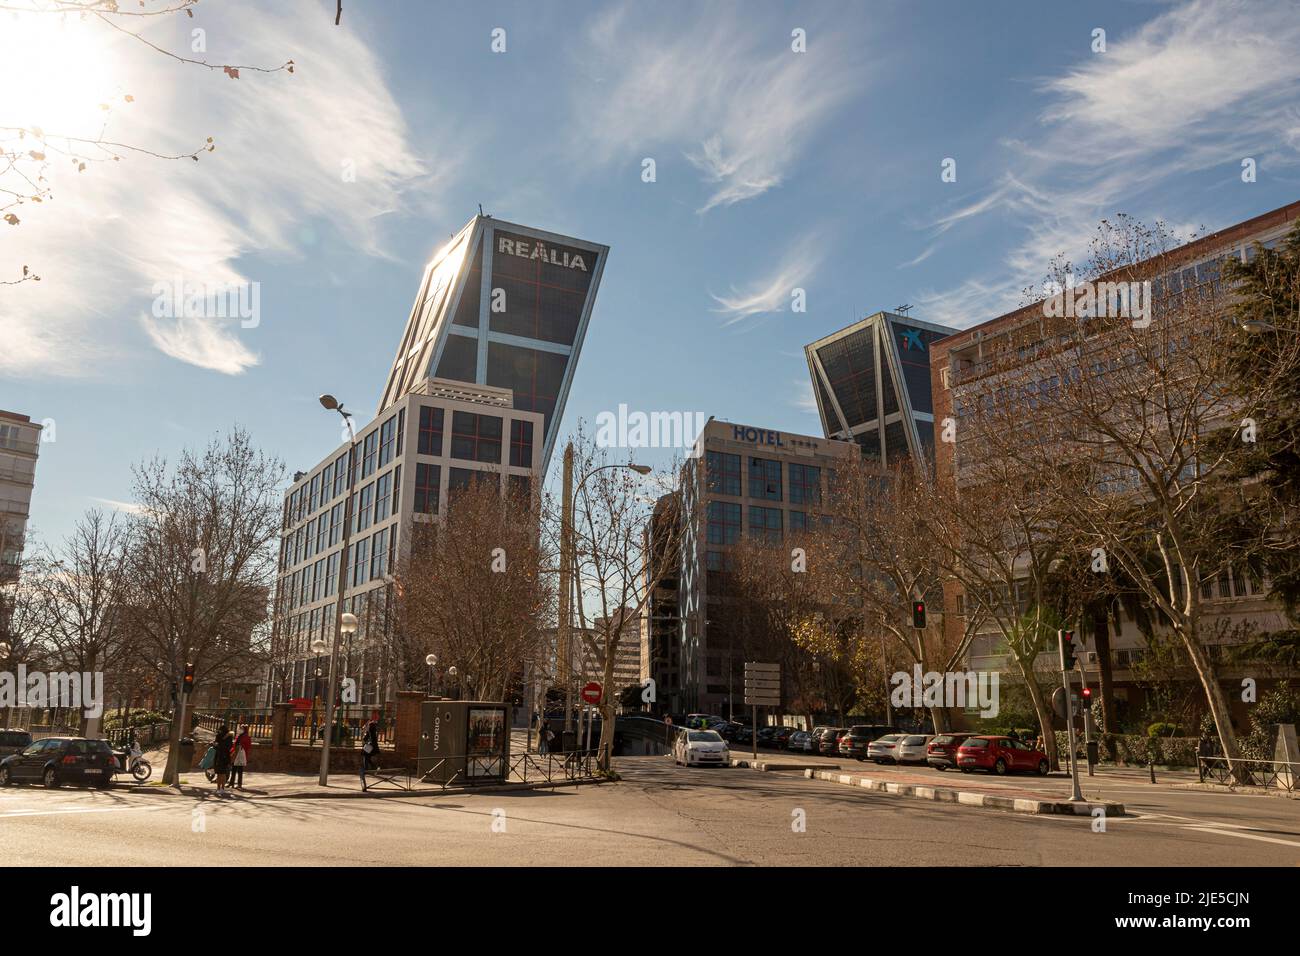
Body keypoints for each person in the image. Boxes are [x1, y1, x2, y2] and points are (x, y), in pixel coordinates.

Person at [359, 719, 380, 791]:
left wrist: (364, 732)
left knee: (365, 754)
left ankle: (367, 769)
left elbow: (365, 738)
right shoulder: (373, 731)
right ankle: (373, 767)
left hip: (370, 747)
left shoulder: (370, 731)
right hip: (373, 747)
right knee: (367, 756)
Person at [213, 725, 233, 795]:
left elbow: (215, 745)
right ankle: (223, 788)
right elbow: (230, 746)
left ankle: (218, 788)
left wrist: (216, 745)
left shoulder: (218, 735)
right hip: (226, 756)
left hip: (219, 756)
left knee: (219, 774)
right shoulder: (230, 736)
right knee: (224, 773)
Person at [230, 724, 251, 790]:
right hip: (236, 754)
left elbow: (247, 746)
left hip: (241, 755)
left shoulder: (246, 737)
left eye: (241, 728)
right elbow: (235, 745)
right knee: (233, 769)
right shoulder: (238, 736)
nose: (240, 729)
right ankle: (231, 783)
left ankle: (239, 784)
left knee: (239, 770)